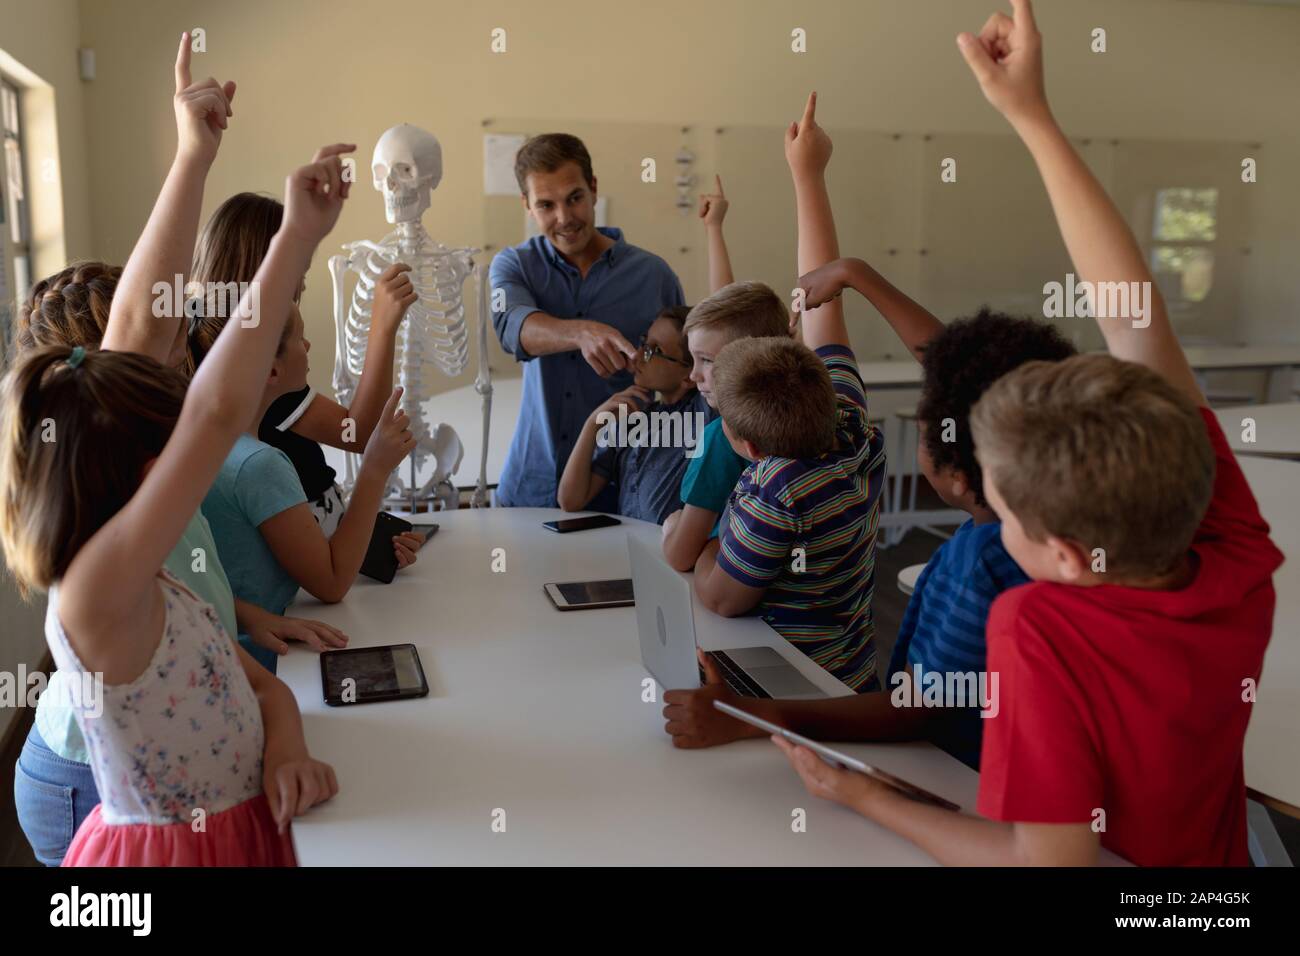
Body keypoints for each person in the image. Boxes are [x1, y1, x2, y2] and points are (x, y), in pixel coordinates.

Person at [775, 0, 1282, 866]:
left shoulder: (1041, 626)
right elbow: (1132, 314)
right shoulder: (1231, 550)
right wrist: (1032, 117)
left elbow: (1042, 863)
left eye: (1004, 512)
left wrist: (858, 790)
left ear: (1069, 556)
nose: (993, 527)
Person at [0, 138, 352, 866]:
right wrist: (290, 239)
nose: (182, 466)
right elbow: (215, 413)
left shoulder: (157, 579)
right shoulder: (96, 588)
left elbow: (259, 690)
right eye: (162, 450)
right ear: (113, 468)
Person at [490, 133, 685, 509]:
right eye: (546, 205)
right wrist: (582, 332)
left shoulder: (654, 276)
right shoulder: (513, 266)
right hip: (528, 490)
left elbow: (686, 378)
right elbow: (511, 327)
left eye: (574, 198)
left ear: (593, 189)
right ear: (527, 205)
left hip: (623, 492)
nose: (564, 218)